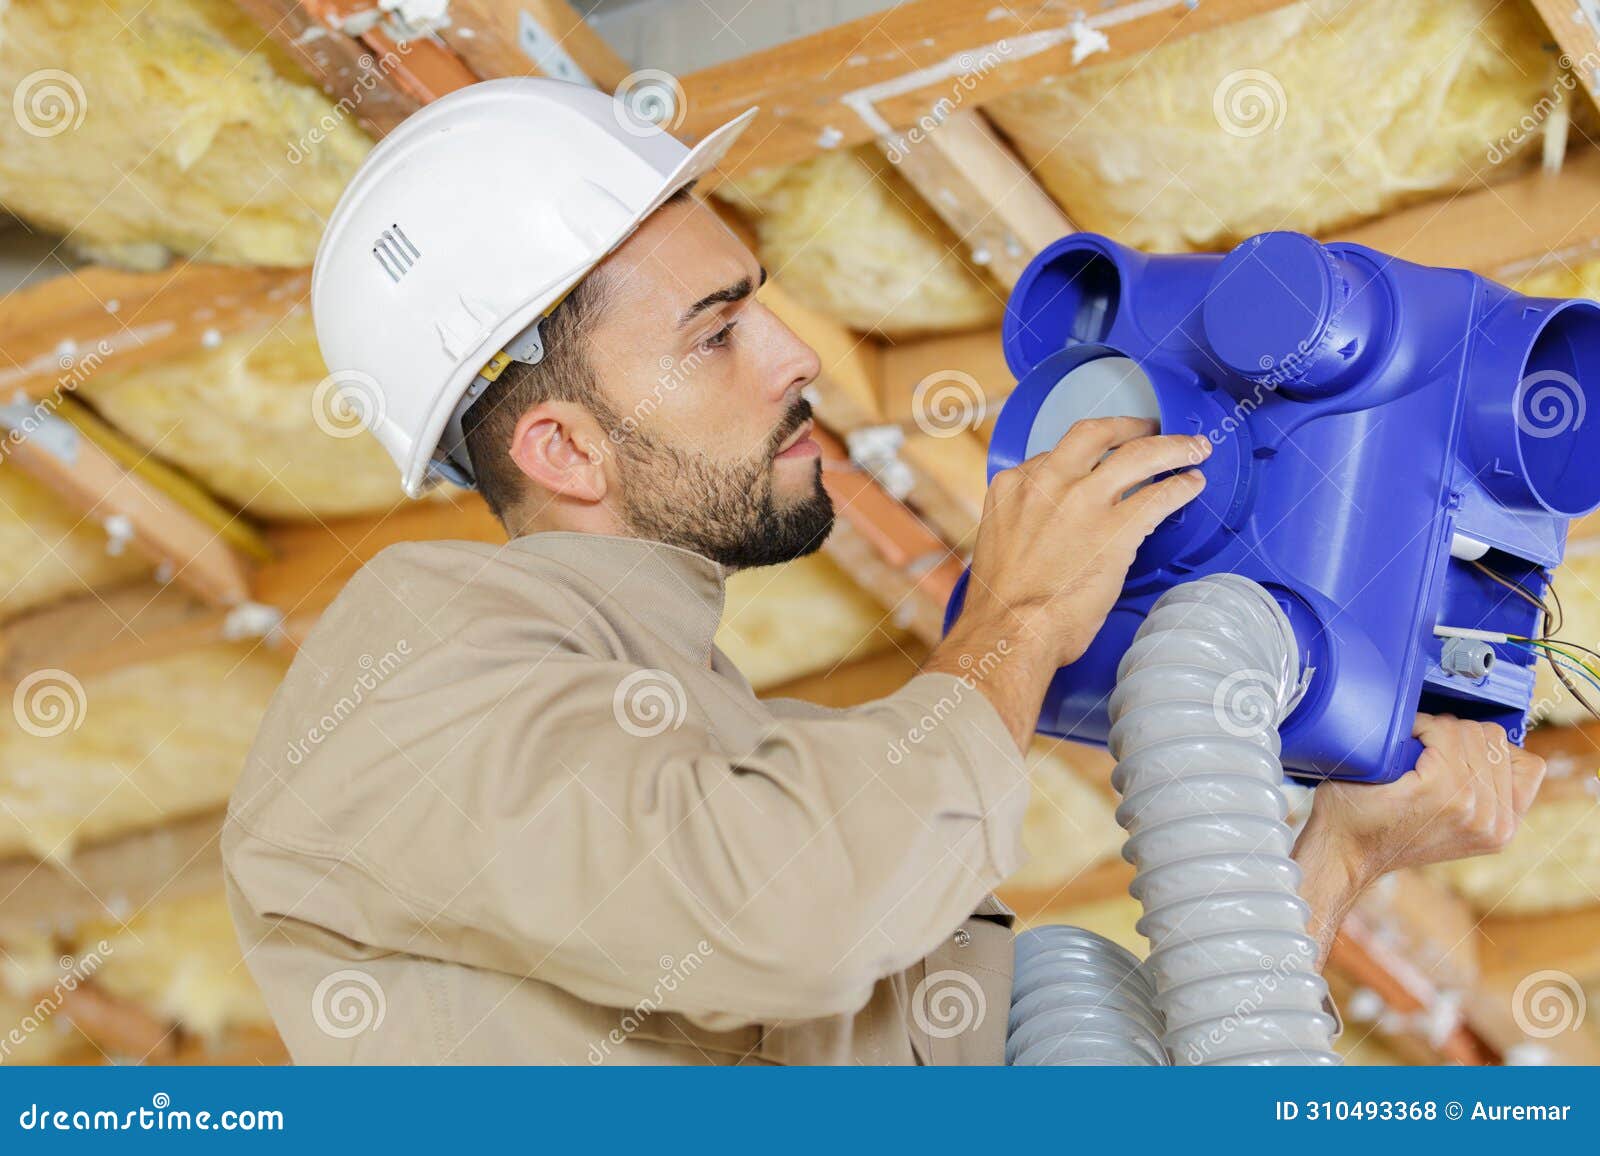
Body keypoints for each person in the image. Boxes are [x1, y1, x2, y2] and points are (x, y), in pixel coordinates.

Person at [224, 79, 1545, 1064]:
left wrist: (1335, 862)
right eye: (717, 332)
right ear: (564, 448)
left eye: (759, 302)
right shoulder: (410, 674)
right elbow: (783, 909)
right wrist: (1018, 620)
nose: (795, 355)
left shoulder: (684, 754)